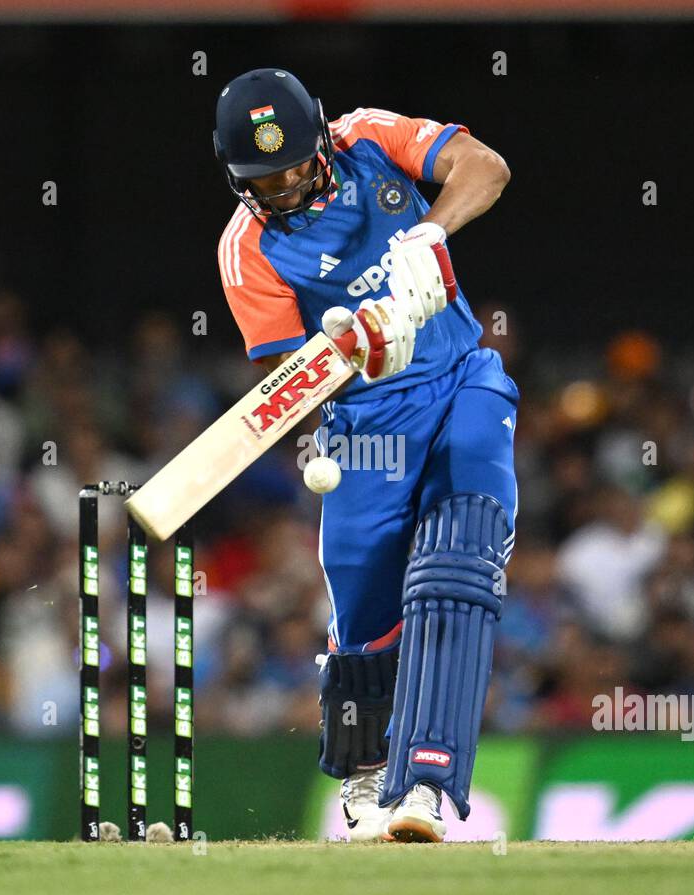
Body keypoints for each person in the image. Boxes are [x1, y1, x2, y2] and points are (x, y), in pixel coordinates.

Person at [214, 68, 516, 842]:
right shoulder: (247, 249)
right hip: (364, 423)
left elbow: (487, 168)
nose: (283, 187)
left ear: (320, 137)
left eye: (293, 165)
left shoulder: (369, 136)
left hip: (460, 377)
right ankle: (365, 770)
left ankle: (428, 777)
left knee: (457, 560)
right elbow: (287, 391)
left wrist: (428, 234)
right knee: (363, 604)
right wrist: (356, 353)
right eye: (264, 179)